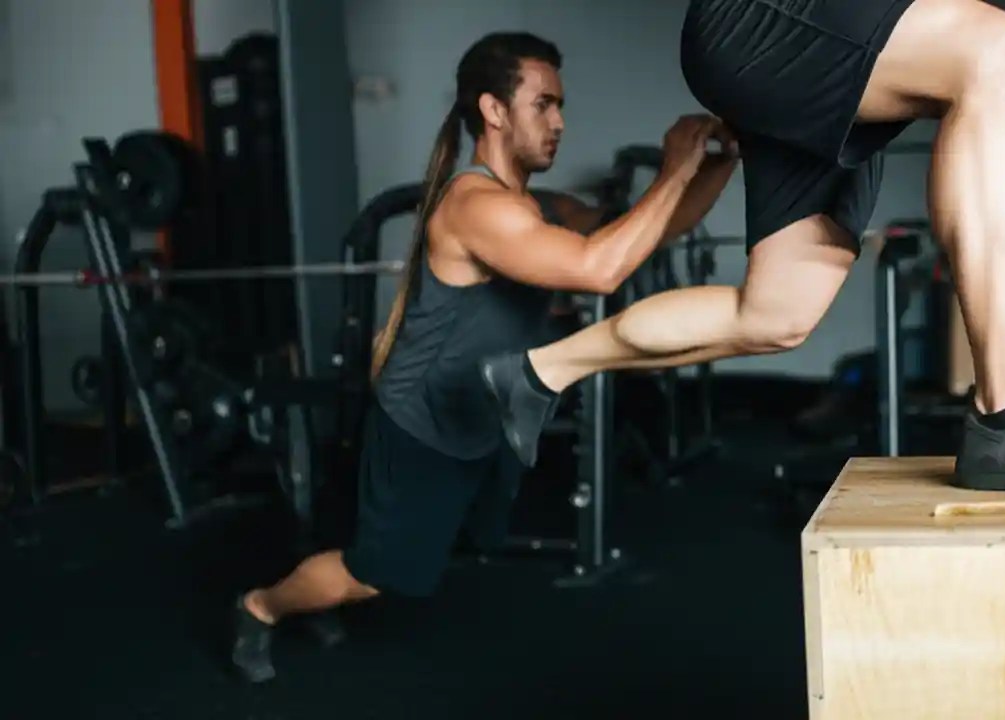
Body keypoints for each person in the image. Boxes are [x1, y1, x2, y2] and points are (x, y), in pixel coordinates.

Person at [480, 0, 1005, 498]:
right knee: (994, 50)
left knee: (776, 312)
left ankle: (537, 372)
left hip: (822, 42)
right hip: (772, 16)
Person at [230, 31, 738, 683]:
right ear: (494, 110)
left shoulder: (538, 205)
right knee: (377, 575)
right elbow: (600, 270)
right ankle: (262, 607)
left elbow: (652, 229)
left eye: (561, 106)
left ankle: (318, 584)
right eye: (543, 105)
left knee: (425, 546)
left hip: (480, 412)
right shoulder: (478, 206)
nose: (559, 122)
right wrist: (675, 167)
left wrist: (718, 165)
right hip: (422, 423)